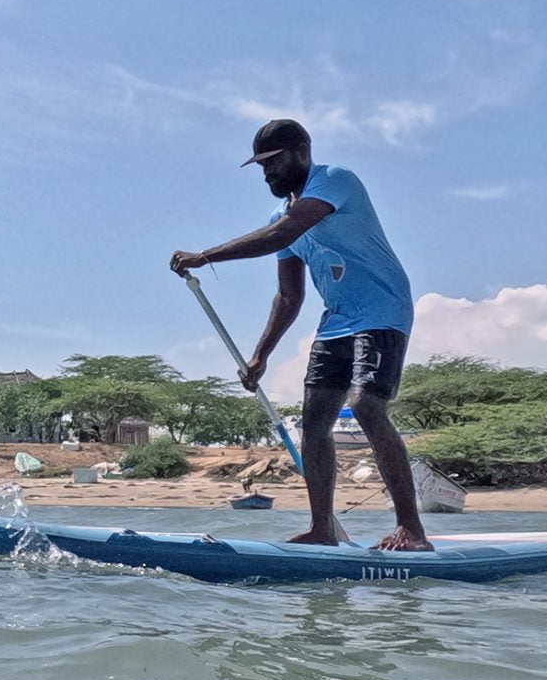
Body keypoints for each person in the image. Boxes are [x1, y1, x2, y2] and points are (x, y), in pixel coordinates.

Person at [169, 117, 430, 552]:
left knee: (366, 406)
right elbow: (288, 297)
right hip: (337, 320)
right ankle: (322, 529)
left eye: (273, 162)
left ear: (302, 153)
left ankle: (412, 529)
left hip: (383, 310)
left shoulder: (335, 181)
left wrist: (205, 256)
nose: (266, 173)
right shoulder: (279, 214)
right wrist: (261, 355)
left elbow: (283, 233)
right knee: (314, 423)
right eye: (260, 167)